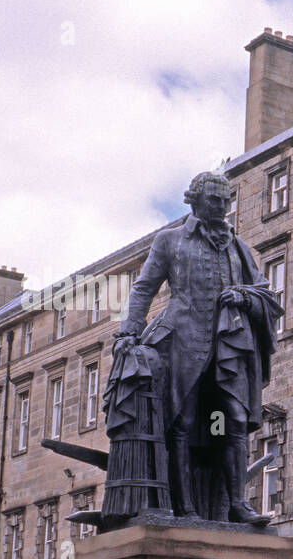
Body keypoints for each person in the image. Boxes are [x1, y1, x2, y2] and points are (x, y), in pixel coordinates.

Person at [113, 170, 282, 524]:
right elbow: (144, 288)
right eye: (214, 200)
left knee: (227, 421)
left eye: (226, 200)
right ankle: (184, 507)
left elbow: (264, 291)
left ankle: (236, 503)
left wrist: (244, 296)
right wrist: (130, 328)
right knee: (182, 423)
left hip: (227, 350)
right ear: (195, 200)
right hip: (182, 343)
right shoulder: (170, 240)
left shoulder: (237, 246)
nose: (222, 207)